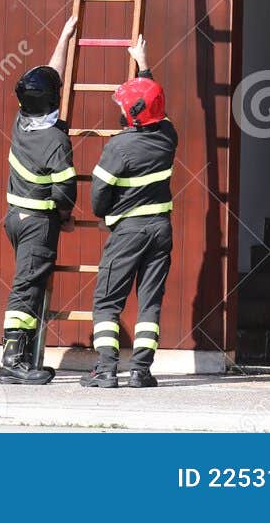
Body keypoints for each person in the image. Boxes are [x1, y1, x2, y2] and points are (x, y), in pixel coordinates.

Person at [81, 34, 177, 389]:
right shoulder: (168, 136)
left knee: (107, 301)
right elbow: (153, 105)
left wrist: (107, 215)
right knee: (150, 300)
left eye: (124, 107)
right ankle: (141, 371)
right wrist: (144, 64)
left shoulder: (118, 148)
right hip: (161, 230)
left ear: (131, 116)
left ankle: (106, 370)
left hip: (128, 232)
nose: (120, 109)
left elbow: (98, 199)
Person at [0, 15, 80, 385]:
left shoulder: (22, 122)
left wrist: (63, 35)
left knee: (29, 284)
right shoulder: (56, 142)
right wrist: (66, 214)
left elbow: (49, 78)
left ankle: (26, 357)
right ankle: (12, 363)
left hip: (16, 217)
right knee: (26, 288)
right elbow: (65, 191)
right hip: (37, 224)